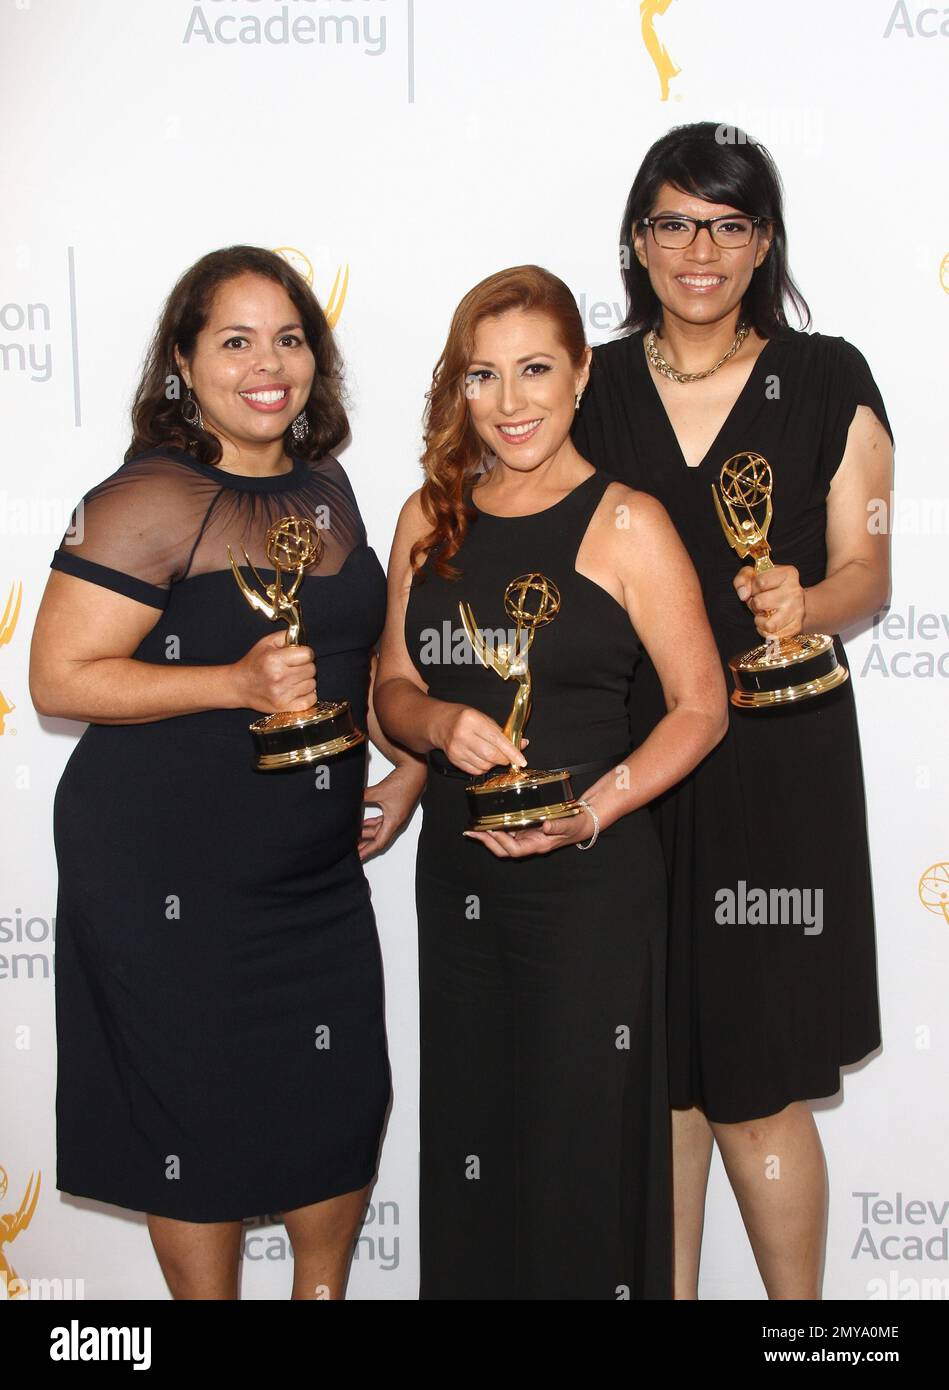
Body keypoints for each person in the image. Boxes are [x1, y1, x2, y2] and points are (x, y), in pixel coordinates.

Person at [29, 246, 425, 1300]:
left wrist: (408, 774)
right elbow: (59, 677)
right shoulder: (146, 499)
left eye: (289, 338)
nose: (269, 363)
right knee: (194, 1124)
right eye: (235, 339)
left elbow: (370, 661)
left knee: (337, 1106)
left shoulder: (327, 489)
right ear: (182, 363)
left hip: (312, 884)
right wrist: (231, 683)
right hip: (170, 882)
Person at [572, 121, 894, 1299]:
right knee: (653, 1071)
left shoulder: (827, 377)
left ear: (763, 243)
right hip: (631, 757)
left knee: (753, 1075)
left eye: (726, 223)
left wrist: (807, 600)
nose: (697, 248)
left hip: (775, 761)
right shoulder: (586, 386)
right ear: (637, 240)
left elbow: (870, 572)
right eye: (671, 221)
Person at [374, 264, 727, 1299]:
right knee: (477, 1138)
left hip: (590, 889)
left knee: (583, 1155)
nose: (511, 401)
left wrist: (587, 812)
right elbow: (391, 687)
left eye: (535, 369)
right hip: (463, 885)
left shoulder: (629, 523)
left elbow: (701, 705)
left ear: (580, 373)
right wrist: (435, 722)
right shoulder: (426, 518)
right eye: (483, 375)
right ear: (458, 389)